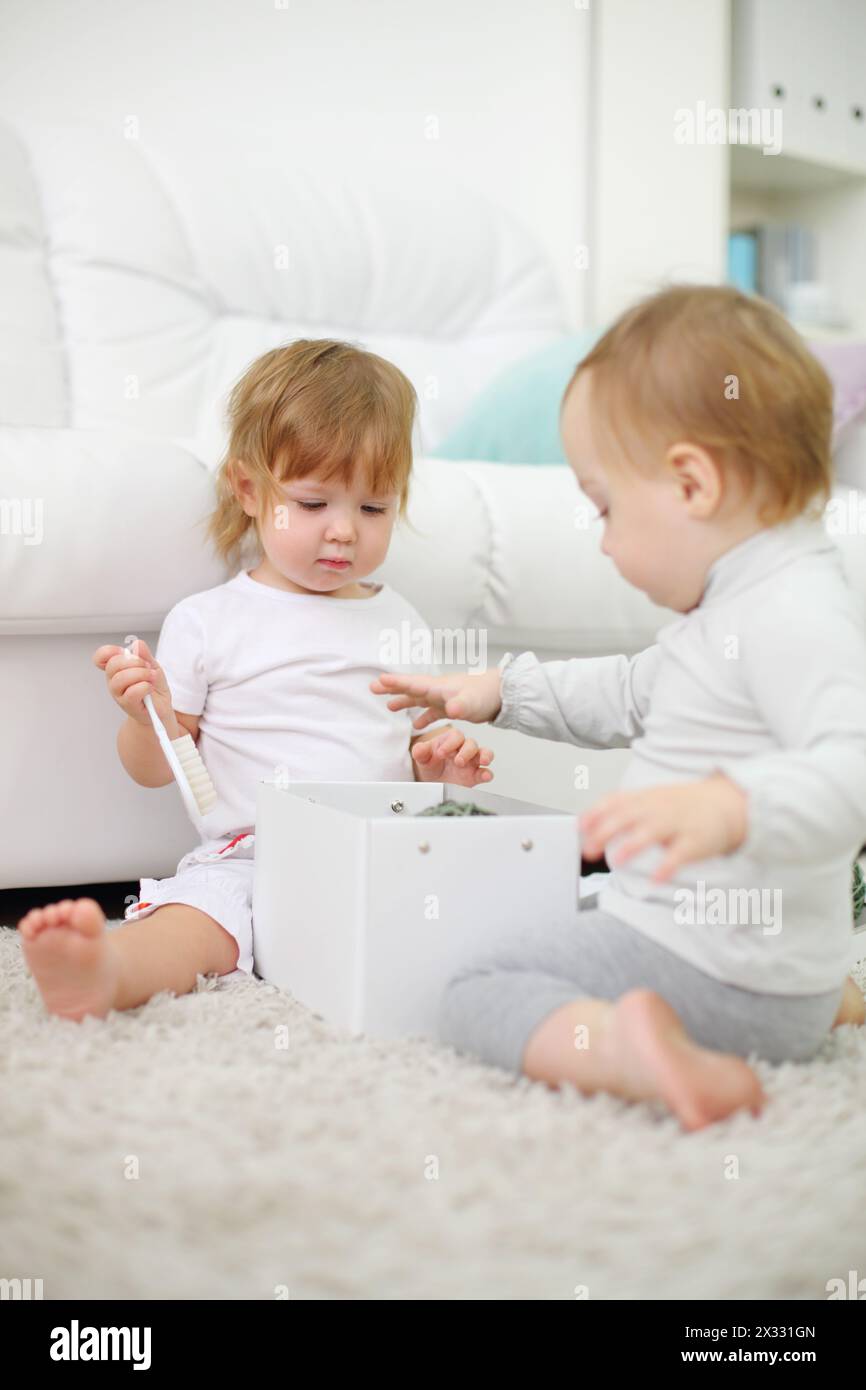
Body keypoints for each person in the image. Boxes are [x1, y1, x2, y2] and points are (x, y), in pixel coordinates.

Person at [372, 285, 866, 1131]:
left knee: (474, 983)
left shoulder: (793, 611)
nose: (602, 541)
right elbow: (631, 691)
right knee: (579, 910)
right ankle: (825, 1000)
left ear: (691, 482)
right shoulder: (737, 604)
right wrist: (503, 692)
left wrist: (733, 807)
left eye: (605, 507)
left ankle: (631, 1055)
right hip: (772, 976)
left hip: (710, 965)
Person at [19, 340, 493, 1020]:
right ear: (249, 490)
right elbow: (157, 770)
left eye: (372, 508)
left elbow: (414, 756)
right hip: (252, 854)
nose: (342, 534)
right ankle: (109, 969)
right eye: (311, 503)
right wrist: (142, 715)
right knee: (195, 926)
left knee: (457, 903)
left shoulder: (402, 622)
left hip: (374, 850)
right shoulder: (209, 622)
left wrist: (443, 765)